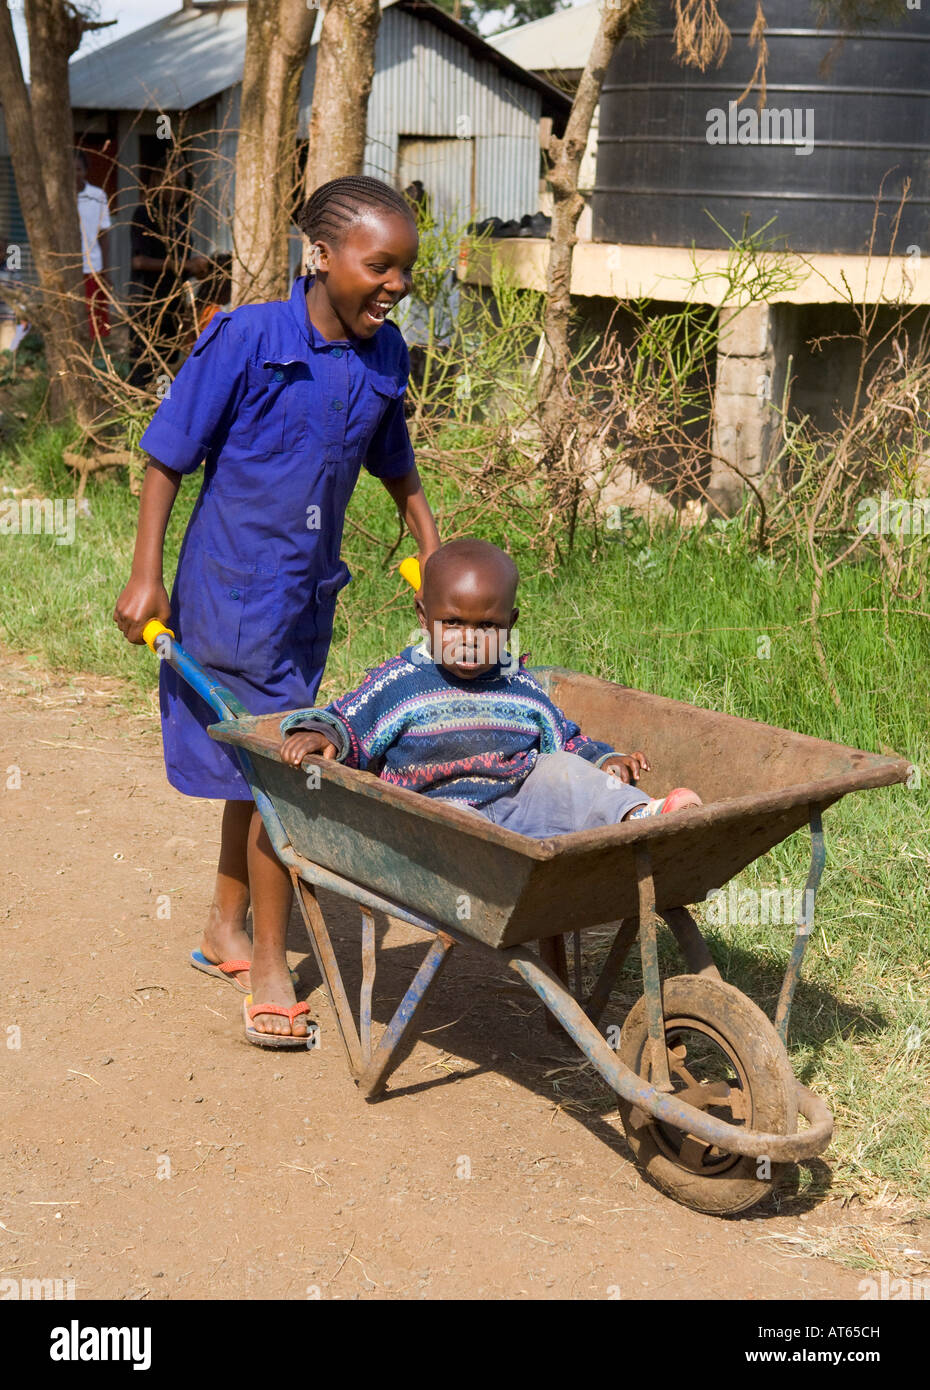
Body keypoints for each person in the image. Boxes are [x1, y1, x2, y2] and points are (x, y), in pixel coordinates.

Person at [114, 175, 440, 1047]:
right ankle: (267, 959)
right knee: (278, 774)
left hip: (305, 596)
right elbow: (165, 456)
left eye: (406, 269)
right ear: (322, 256)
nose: (397, 285)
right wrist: (145, 574)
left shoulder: (385, 356)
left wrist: (430, 547)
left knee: (257, 766)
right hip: (229, 590)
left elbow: (393, 456)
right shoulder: (247, 339)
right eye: (380, 265)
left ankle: (224, 925)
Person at [280, 539, 702, 836]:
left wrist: (606, 759)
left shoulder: (516, 682)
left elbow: (563, 740)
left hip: (520, 804)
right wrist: (320, 732)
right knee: (464, 831)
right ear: (424, 617)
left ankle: (639, 815)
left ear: (510, 624)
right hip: (440, 816)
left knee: (563, 771)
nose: (468, 637)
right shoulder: (402, 682)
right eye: (454, 623)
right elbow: (348, 722)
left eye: (487, 626)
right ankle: (500, 869)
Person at [127, 161, 210, 386]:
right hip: (148, 302)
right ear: (156, 183)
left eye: (180, 184)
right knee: (144, 363)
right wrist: (186, 266)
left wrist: (198, 269)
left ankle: (161, 412)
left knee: (169, 361)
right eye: (170, 183)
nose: (176, 189)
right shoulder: (145, 213)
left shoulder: (181, 217)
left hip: (173, 303)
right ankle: (138, 409)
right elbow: (139, 261)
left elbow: (181, 264)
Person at [74, 150, 112, 341]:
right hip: (70, 268)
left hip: (93, 266)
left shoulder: (97, 196)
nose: (75, 174)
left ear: (86, 171)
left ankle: (98, 355)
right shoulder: (60, 198)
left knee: (96, 319)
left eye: (79, 169)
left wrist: (105, 270)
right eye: (71, 170)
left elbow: (104, 234)